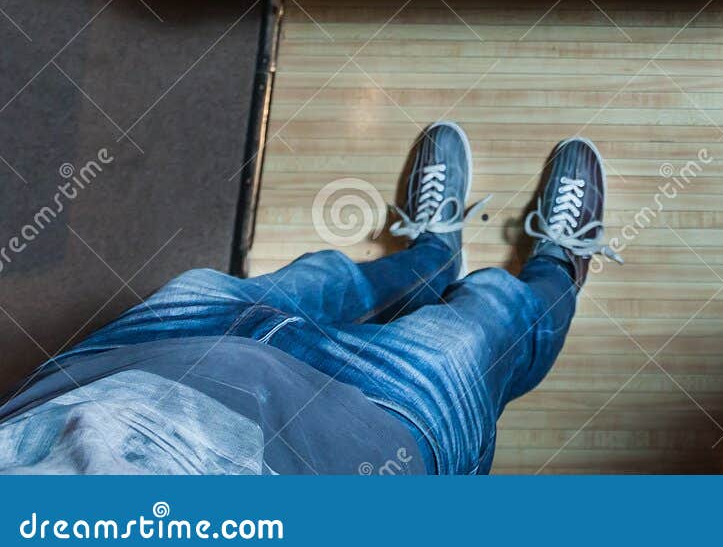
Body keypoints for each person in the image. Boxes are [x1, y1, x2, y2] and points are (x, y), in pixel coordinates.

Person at [0, 124, 616, 475]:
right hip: (366, 439)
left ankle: (431, 257)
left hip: (124, 370)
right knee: (486, 319)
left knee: (322, 275)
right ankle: (559, 268)